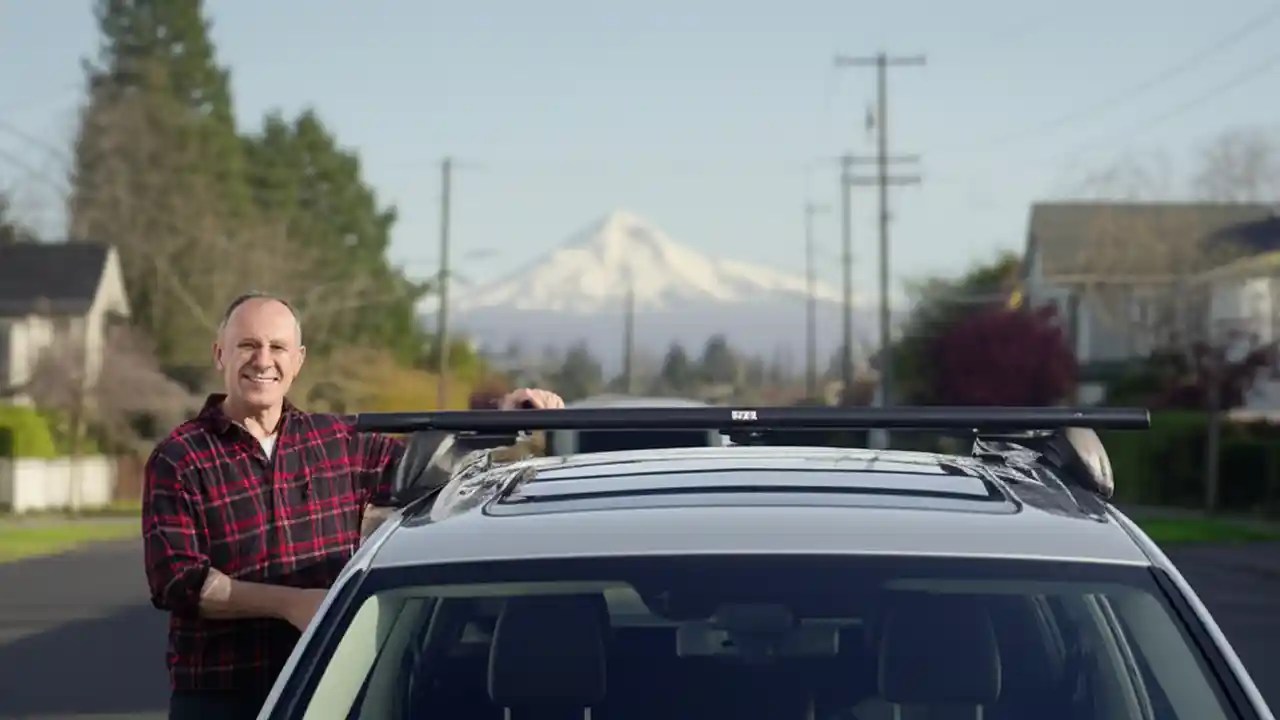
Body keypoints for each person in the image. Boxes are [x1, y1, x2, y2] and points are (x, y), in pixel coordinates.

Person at [141, 291, 564, 719]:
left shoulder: (334, 442)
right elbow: (178, 581)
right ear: (220, 355)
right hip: (221, 698)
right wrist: (292, 604)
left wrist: (504, 418)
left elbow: (428, 465)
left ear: (299, 360)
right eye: (248, 345)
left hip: (327, 689)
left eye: (278, 347)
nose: (263, 360)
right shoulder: (180, 457)